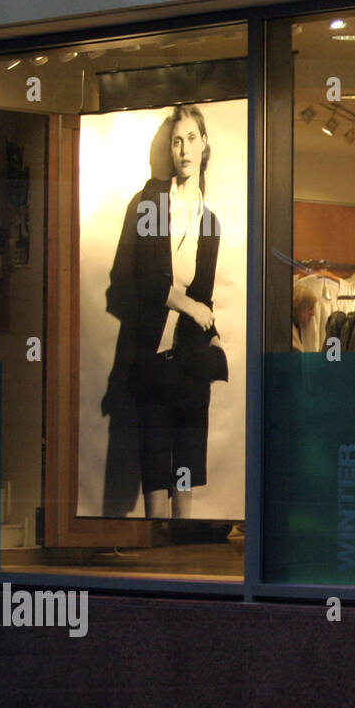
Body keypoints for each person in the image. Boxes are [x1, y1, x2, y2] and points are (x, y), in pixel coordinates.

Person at [107, 103, 227, 520]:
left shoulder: (210, 222)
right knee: (155, 472)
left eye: (191, 138)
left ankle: (185, 551)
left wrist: (212, 332)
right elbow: (137, 281)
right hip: (152, 361)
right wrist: (188, 304)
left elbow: (204, 297)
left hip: (191, 362)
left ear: (204, 144)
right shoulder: (152, 200)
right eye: (177, 141)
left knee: (186, 473)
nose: (184, 149)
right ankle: (155, 554)